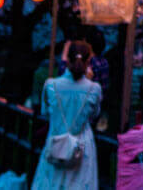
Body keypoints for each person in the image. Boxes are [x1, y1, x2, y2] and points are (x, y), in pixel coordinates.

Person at [32, 41, 102, 190]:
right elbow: (95, 114)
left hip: (56, 140)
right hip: (82, 146)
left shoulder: (51, 85)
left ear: (67, 59)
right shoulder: (94, 89)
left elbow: (45, 112)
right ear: (88, 62)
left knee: (50, 183)